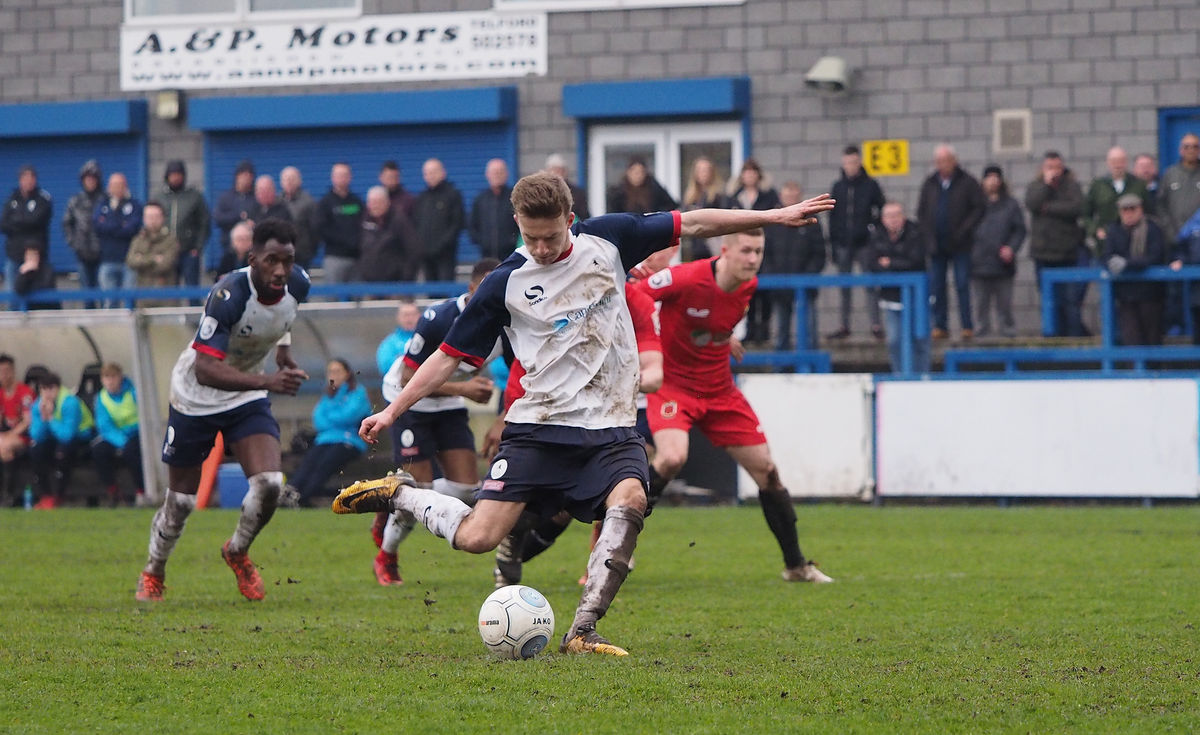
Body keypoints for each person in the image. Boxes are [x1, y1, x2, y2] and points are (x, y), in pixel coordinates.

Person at [331, 172, 834, 656]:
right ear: (517, 225)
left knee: (632, 497)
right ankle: (403, 494)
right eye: (531, 238)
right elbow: (447, 357)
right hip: (538, 429)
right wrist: (393, 410)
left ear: (571, 218)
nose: (543, 249)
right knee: (479, 537)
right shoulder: (504, 282)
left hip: (610, 427)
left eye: (551, 237)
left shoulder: (609, 240)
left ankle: (583, 630)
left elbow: (694, 222)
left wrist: (774, 215)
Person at [633, 227, 834, 584]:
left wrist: (724, 339)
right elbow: (634, 296)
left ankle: (796, 566)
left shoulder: (747, 286)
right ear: (724, 250)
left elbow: (712, 321)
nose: (753, 259)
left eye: (758, 251)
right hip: (675, 387)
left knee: (768, 472)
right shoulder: (684, 277)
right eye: (746, 251)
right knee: (671, 457)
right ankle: (622, 541)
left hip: (720, 391)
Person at [134, 217, 310, 602]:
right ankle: (154, 570)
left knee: (269, 484)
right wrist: (268, 382)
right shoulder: (228, 294)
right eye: (271, 261)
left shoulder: (299, 283)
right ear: (253, 258)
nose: (280, 270)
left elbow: (282, 320)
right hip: (195, 397)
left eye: (287, 260)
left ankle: (237, 550)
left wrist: (283, 358)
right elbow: (205, 368)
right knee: (180, 501)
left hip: (244, 395)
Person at [488, 280, 663, 589]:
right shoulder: (557, 291)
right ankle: (512, 543)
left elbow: (655, 375)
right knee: (545, 507)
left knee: (583, 501)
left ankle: (530, 555)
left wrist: (612, 380)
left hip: (603, 417)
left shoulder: (637, 302)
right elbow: (530, 363)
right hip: (542, 409)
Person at [370, 259, 501, 586]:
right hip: (408, 401)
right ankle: (387, 556)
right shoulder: (438, 318)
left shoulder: (509, 323)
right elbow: (408, 376)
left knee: (466, 489)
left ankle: (390, 498)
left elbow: (524, 371)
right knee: (419, 492)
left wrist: (503, 418)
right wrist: (465, 389)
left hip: (449, 405)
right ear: (470, 290)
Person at [279, 358, 371, 508]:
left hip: (350, 440)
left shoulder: (358, 392)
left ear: (347, 374)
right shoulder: (328, 395)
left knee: (325, 463)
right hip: (326, 439)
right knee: (309, 461)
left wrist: (331, 418)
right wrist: (335, 418)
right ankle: (290, 490)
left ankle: (302, 497)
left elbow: (350, 416)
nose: (333, 375)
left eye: (337, 371)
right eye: (330, 372)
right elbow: (318, 419)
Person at [917, 143, 985, 340]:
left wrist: (964, 230)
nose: (942, 165)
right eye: (938, 161)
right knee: (937, 286)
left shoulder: (967, 182)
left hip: (960, 244)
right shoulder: (930, 183)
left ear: (954, 161)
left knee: (962, 284)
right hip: (936, 245)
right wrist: (927, 235)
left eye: (945, 161)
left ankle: (967, 325)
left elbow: (978, 209)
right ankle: (940, 325)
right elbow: (922, 212)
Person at [827, 145, 886, 340]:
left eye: (853, 162)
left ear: (859, 162)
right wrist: (834, 244)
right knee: (844, 287)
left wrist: (872, 229)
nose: (850, 167)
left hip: (864, 243)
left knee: (870, 285)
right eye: (846, 163)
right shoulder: (838, 186)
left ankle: (876, 325)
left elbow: (881, 209)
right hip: (843, 243)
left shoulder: (871, 185)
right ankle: (844, 325)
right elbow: (833, 217)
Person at [1026, 150, 1087, 337]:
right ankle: (1052, 338)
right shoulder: (1036, 186)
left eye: (1057, 167)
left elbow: (1077, 208)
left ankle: (1074, 338)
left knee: (1070, 300)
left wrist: (1049, 208)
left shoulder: (1071, 186)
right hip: (1043, 254)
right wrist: (1046, 186)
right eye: (1050, 167)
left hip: (1067, 253)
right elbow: (1032, 204)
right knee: (1048, 300)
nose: (1054, 171)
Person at [869, 202, 932, 373]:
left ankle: (922, 377)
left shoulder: (915, 233)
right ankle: (899, 376)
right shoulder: (877, 236)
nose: (893, 220)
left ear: (903, 216)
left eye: (896, 215)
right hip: (891, 298)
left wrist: (890, 262)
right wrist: (897, 263)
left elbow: (916, 261)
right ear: (883, 219)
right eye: (889, 216)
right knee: (895, 340)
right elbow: (872, 263)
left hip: (917, 297)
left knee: (920, 339)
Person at [730, 158, 783, 345]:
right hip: (743, 248)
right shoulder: (735, 197)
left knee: (765, 294)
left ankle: (764, 331)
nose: (749, 176)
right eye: (746, 173)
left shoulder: (769, 196)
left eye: (753, 172)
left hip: (765, 250)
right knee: (748, 292)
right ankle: (751, 330)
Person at [971, 165, 1026, 338]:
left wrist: (1011, 248)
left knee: (1005, 305)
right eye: (989, 177)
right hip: (979, 264)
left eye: (996, 177)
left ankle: (1008, 337)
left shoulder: (1011, 204)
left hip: (1003, 264)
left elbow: (1020, 230)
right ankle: (981, 338)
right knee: (981, 305)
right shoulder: (974, 204)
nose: (993, 181)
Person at [1104, 194, 1168, 346]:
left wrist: (1128, 263)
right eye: (1125, 210)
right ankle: (1134, 370)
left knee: (1152, 337)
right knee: (1131, 337)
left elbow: (1155, 256)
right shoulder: (1114, 230)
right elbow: (1107, 255)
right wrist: (1113, 263)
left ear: (1141, 210)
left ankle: (1154, 369)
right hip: (1125, 294)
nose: (1129, 214)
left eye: (1133, 209)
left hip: (1151, 293)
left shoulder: (1153, 229)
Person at [771, 181, 827, 351]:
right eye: (787, 195)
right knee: (781, 330)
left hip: (805, 286)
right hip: (779, 286)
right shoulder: (773, 220)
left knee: (809, 329)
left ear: (800, 197)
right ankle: (781, 368)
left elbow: (820, 254)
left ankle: (811, 370)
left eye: (794, 195)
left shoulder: (811, 220)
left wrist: (807, 277)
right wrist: (772, 276)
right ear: (781, 197)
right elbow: (765, 252)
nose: (790, 198)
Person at [28, 371, 94, 509]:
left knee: (62, 453)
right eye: (43, 389)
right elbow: (36, 435)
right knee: (36, 450)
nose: (47, 393)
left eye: (51, 389)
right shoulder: (37, 405)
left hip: (80, 437)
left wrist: (51, 418)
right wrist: (43, 417)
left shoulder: (70, 402)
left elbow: (67, 436)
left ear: (58, 388)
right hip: (55, 436)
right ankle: (46, 495)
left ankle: (59, 495)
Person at [91, 362, 144, 506]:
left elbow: (144, 416)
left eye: (113, 377)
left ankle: (141, 491)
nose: (110, 381)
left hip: (136, 432)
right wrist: (121, 441)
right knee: (98, 450)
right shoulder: (101, 398)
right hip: (117, 436)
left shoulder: (134, 393)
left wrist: (127, 437)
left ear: (120, 377)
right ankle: (112, 490)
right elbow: (104, 426)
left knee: (132, 451)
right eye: (106, 378)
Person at [2, 165, 54, 300]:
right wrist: (24, 220)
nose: (28, 181)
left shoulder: (43, 198)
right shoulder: (12, 199)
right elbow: (3, 224)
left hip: (36, 258)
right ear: (20, 180)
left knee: (38, 296)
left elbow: (36, 220)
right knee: (12, 294)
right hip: (14, 256)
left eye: (31, 178)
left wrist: (17, 220)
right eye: (25, 178)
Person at [92, 172, 143, 308]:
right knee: (109, 302)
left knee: (129, 301)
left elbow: (131, 228)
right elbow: (98, 225)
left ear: (125, 186)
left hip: (129, 261)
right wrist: (120, 224)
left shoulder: (134, 205)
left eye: (120, 185)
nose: (116, 188)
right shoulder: (102, 204)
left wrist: (110, 224)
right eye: (113, 185)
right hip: (107, 259)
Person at [1085, 147, 1151, 252]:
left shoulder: (1139, 184)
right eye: (1114, 161)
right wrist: (1095, 230)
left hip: (1135, 242)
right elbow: (1085, 214)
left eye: (1121, 161)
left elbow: (1149, 211)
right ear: (1108, 163)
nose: (1118, 165)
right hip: (1105, 242)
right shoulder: (1097, 185)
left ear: (1126, 162)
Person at [160, 160, 211, 288]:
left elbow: (204, 223)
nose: (176, 177)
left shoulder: (194, 196)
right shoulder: (160, 197)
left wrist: (197, 248)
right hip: (167, 252)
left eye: (179, 174)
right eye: (173, 174)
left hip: (189, 251)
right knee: (169, 288)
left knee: (192, 286)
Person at [413, 158, 465, 283]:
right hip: (426, 256)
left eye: (434, 172)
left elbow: (457, 224)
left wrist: (441, 246)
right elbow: (416, 224)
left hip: (445, 255)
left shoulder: (453, 195)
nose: (430, 176)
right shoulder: (422, 198)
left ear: (443, 172)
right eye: (427, 173)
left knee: (445, 291)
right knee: (431, 294)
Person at [356, 185, 419, 284]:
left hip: (395, 284)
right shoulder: (364, 221)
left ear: (387, 202)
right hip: (369, 283)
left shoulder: (399, 221)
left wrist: (406, 277)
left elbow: (414, 250)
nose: (375, 206)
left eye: (378, 202)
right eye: (372, 202)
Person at [63, 160, 105, 306]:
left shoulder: (105, 200)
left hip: (102, 255)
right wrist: (74, 243)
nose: (90, 182)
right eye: (87, 179)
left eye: (93, 178)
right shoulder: (75, 201)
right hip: (82, 255)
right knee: (87, 296)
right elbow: (67, 223)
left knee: (103, 294)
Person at [314, 162, 365, 284]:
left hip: (356, 258)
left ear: (350, 177)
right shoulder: (325, 203)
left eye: (345, 175)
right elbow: (320, 228)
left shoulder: (357, 202)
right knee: (333, 298)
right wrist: (344, 240)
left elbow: (364, 225)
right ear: (333, 178)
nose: (342, 178)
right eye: (339, 175)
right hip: (334, 257)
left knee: (357, 298)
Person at [125, 201, 181, 305]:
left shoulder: (171, 240)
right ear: (144, 219)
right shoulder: (138, 240)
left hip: (166, 297)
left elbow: (165, 264)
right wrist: (154, 258)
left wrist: (142, 259)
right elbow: (131, 261)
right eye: (149, 217)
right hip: (143, 297)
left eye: (156, 216)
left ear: (163, 218)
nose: (153, 220)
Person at [679, 157, 730, 261]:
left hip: (713, 244)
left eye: (706, 170)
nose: (703, 174)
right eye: (700, 170)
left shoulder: (718, 195)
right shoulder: (691, 196)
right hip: (696, 245)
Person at [0, 353, 35, 503]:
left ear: (13, 371)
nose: (3, 375)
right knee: (3, 447)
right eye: (0, 372)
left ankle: (9, 494)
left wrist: (9, 435)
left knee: (4, 446)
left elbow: (28, 421)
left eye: (7, 371)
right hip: (4, 437)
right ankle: (8, 494)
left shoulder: (24, 392)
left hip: (24, 436)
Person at [469, 159, 520, 260]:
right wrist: (482, 241)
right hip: (487, 255)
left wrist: (512, 240)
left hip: (511, 255)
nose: (497, 175)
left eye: (500, 172)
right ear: (487, 175)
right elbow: (472, 225)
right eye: (494, 172)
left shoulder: (515, 197)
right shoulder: (480, 199)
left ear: (506, 174)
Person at [212, 160, 257, 261]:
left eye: (250, 176)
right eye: (244, 175)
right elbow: (218, 218)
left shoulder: (256, 198)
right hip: (229, 247)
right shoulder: (226, 197)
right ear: (237, 176)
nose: (247, 179)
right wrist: (238, 217)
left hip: (252, 249)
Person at [606, 157, 677, 215]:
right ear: (628, 172)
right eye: (635, 172)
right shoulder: (618, 192)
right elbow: (612, 214)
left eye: (641, 172)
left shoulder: (654, 189)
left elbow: (670, 206)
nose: (638, 176)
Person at [280, 166, 318, 268]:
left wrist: (310, 250)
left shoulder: (308, 202)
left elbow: (315, 229)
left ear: (299, 181)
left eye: (292, 179)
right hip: (280, 255)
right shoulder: (278, 202)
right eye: (286, 179)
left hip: (301, 254)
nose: (289, 182)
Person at [376, 301, 421, 377]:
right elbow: (384, 366)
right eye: (406, 315)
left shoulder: (429, 339)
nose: (410, 318)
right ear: (398, 317)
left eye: (413, 314)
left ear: (420, 316)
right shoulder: (389, 343)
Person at [544, 154, 589, 221]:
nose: (556, 174)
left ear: (565, 172)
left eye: (559, 171)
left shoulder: (577, 193)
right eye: (553, 170)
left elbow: (585, 217)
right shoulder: (543, 192)